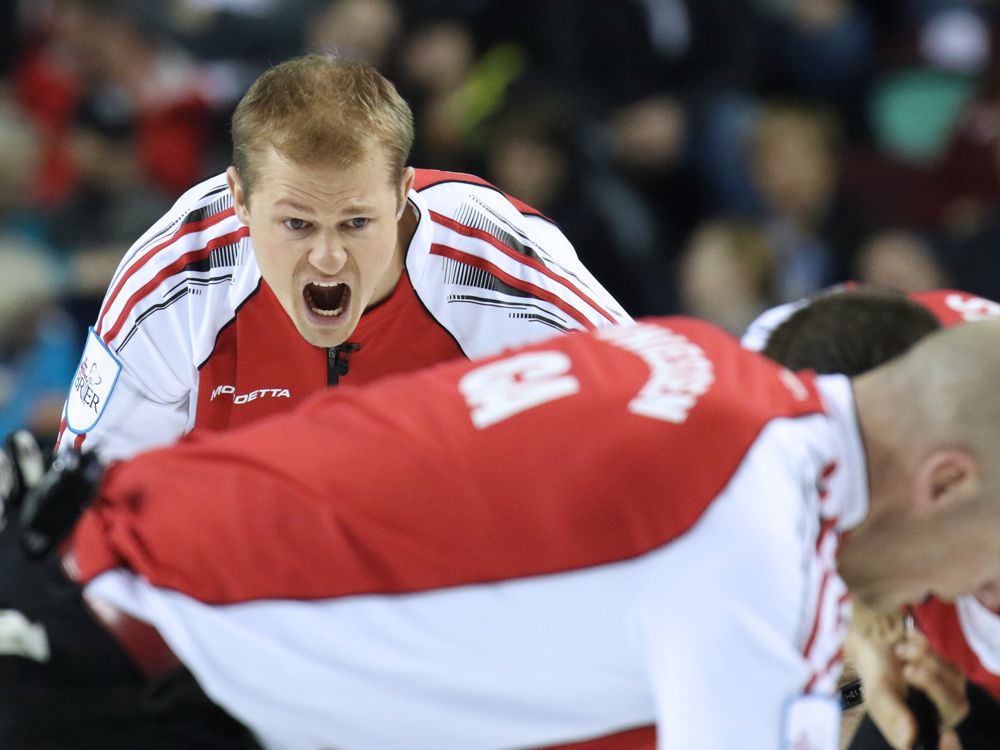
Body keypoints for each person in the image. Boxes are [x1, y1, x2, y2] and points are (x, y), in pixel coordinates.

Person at [9, 312, 1000, 748]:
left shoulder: (695, 357)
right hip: (106, 670)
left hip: (87, 579)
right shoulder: (758, 548)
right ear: (947, 481)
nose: (976, 590)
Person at [55, 53, 629, 461]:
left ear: (402, 195)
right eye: (296, 224)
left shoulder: (498, 264)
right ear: (240, 201)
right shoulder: (176, 275)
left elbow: (660, 414)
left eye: (357, 222)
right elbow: (89, 514)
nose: (328, 258)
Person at [746, 286, 1000, 750]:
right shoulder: (880, 354)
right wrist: (864, 625)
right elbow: (813, 331)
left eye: (839, 517)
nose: (827, 547)